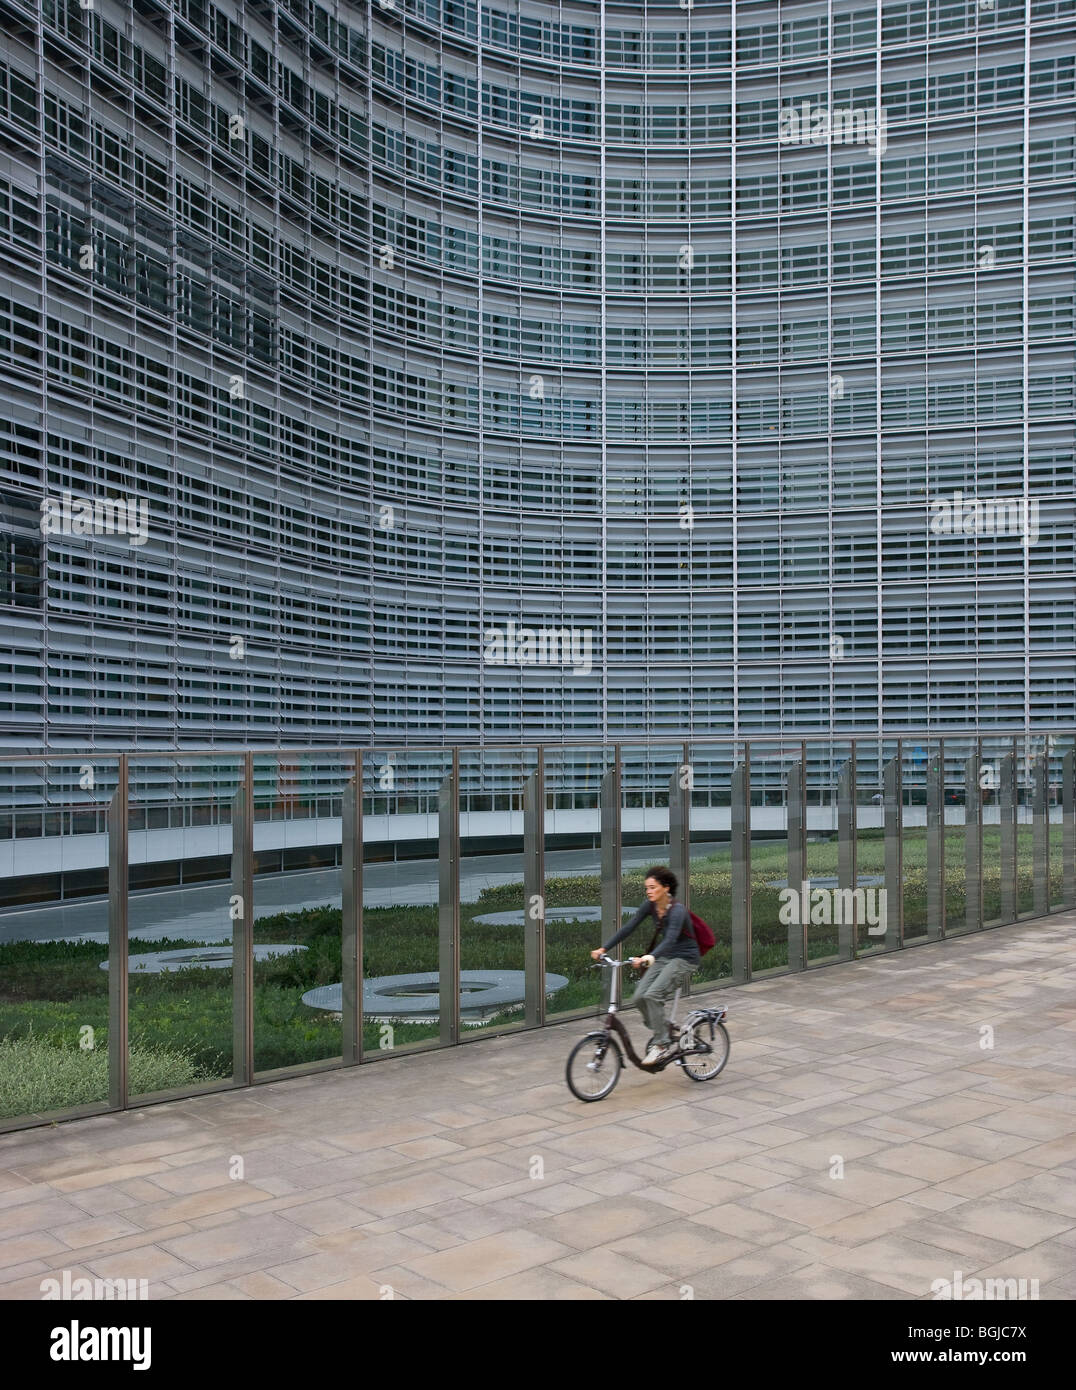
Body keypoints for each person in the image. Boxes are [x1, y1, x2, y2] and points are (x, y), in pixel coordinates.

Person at [590, 865, 698, 1066]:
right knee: (639, 997)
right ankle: (665, 1031)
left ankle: (662, 1044)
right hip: (664, 957)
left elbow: (671, 939)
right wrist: (604, 948)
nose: (648, 891)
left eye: (652, 887)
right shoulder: (649, 906)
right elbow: (628, 928)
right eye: (646, 888)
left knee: (652, 995)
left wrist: (648, 957)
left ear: (666, 888)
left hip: (684, 958)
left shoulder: (677, 910)